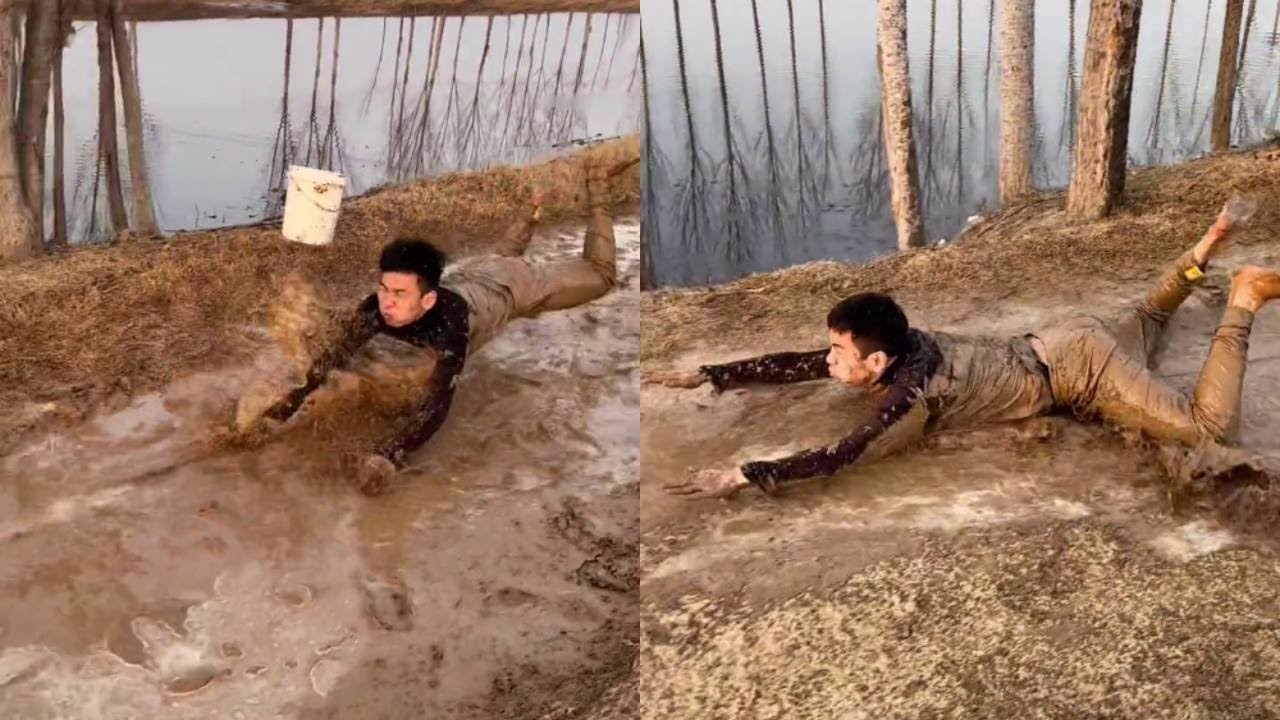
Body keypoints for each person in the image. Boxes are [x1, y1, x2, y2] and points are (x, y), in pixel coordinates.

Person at [652, 197, 1278, 499]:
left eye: (838, 354)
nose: (828, 361)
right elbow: (793, 364)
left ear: (877, 363)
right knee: (1147, 317)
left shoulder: (912, 394)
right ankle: (1206, 247)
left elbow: (845, 454)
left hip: (1077, 371)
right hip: (1063, 338)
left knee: (1205, 430)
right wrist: (711, 374)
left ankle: (1244, 297)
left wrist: (747, 472)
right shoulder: (903, 344)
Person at [253, 158, 635, 493]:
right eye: (384, 289)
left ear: (428, 300)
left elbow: (438, 405)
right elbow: (331, 358)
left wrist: (392, 455)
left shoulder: (450, 328)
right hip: (478, 269)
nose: (387, 302)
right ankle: (531, 209)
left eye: (400, 294)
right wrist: (286, 406)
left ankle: (597, 185)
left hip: (512, 286)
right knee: (499, 256)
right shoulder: (377, 307)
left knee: (601, 277)